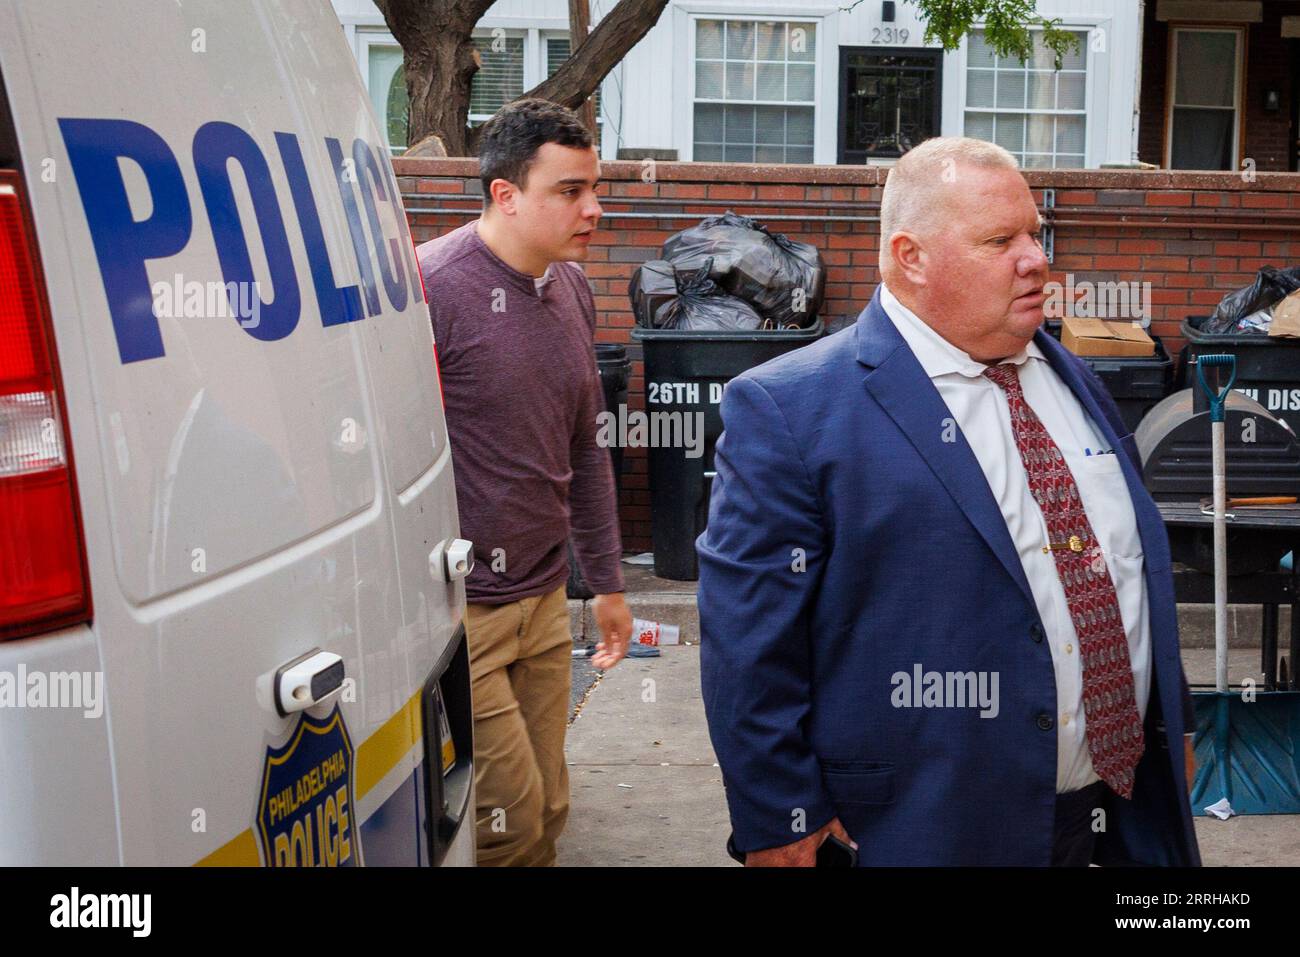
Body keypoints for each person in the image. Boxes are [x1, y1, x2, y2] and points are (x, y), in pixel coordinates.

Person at [697, 137, 1200, 867]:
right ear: (911, 256)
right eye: (1000, 240)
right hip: (924, 827)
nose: (1034, 258)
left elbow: (1123, 564)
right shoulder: (790, 410)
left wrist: (1168, 717)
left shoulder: (1073, 379)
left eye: (1036, 233)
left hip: (1115, 813)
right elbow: (747, 640)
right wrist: (779, 810)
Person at [417, 98, 632, 867]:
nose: (594, 208)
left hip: (544, 602)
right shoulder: (430, 290)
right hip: (462, 612)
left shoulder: (569, 287)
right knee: (509, 822)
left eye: (594, 187)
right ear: (506, 195)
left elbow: (585, 447)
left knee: (549, 808)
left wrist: (605, 581)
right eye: (570, 191)